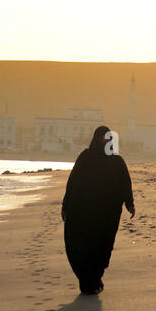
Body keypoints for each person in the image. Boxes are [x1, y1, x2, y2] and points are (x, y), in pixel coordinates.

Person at [61, 125, 134, 295]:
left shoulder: (117, 161)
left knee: (103, 248)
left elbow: (125, 183)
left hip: (107, 216)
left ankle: (94, 279)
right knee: (81, 247)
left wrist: (129, 203)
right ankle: (88, 282)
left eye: (108, 138)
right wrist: (65, 205)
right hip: (83, 213)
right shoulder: (85, 158)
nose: (105, 141)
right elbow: (72, 183)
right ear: (96, 138)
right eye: (102, 138)